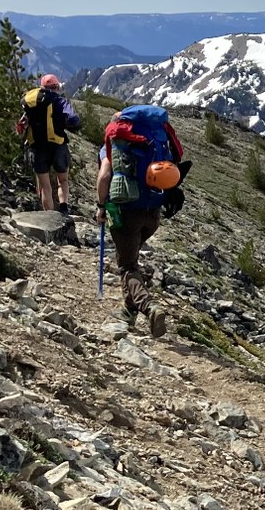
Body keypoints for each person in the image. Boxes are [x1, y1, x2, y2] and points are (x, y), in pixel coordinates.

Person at [95, 103, 189, 330]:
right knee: (131, 260)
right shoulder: (158, 140)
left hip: (127, 212)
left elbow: (104, 177)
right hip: (153, 211)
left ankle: (149, 308)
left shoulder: (116, 145)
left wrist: (100, 206)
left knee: (127, 266)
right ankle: (129, 311)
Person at [19, 73, 81, 214]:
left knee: (44, 185)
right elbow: (73, 119)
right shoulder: (59, 101)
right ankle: (64, 208)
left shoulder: (31, 101)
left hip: (37, 147)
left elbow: (23, 123)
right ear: (56, 87)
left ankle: (49, 216)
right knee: (63, 180)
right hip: (57, 144)